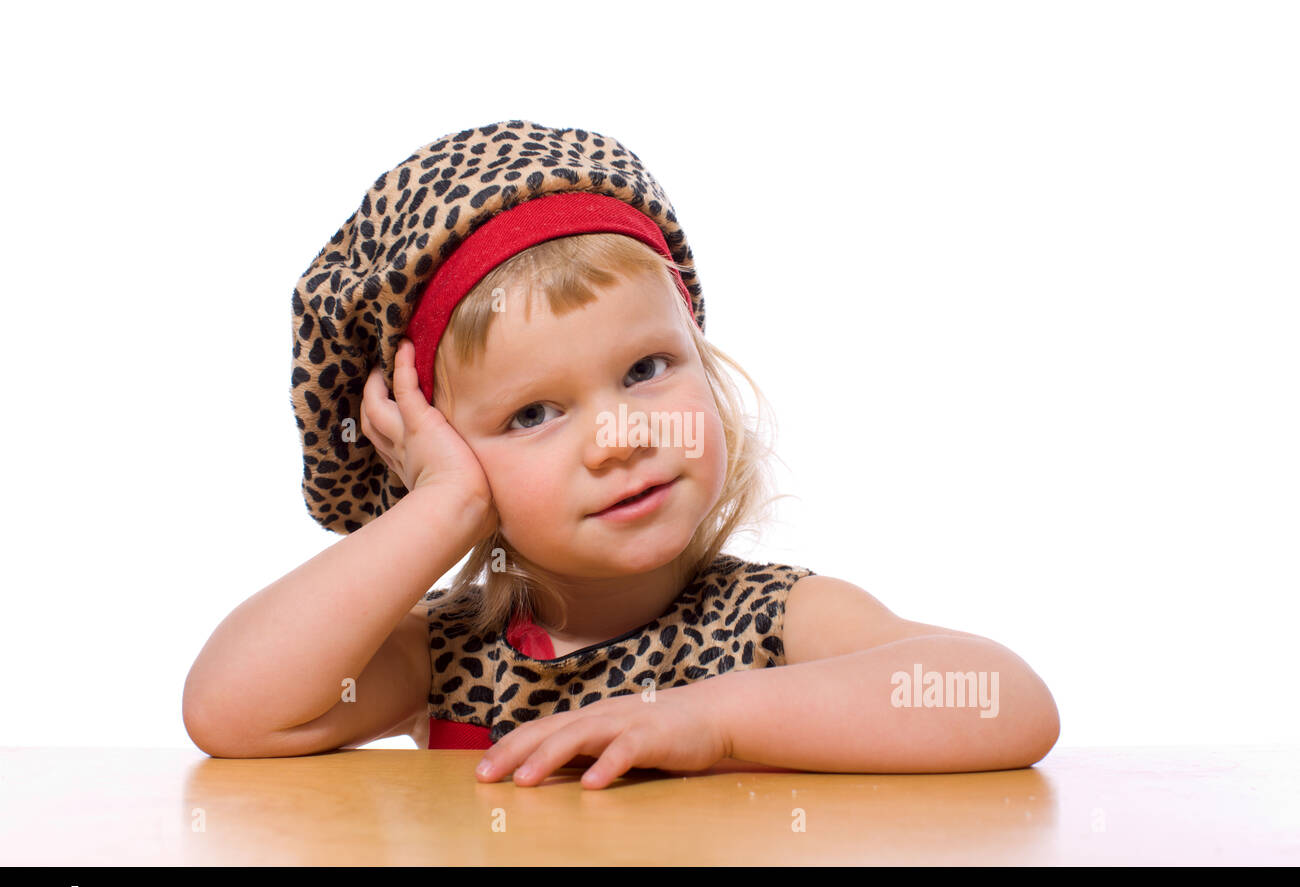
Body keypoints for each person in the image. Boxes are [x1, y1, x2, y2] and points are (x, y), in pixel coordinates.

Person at [183, 120, 1060, 789]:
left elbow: (1004, 701)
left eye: (646, 369)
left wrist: (716, 720)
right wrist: (444, 505)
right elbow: (230, 712)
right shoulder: (450, 658)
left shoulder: (773, 624)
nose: (621, 436)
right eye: (532, 413)